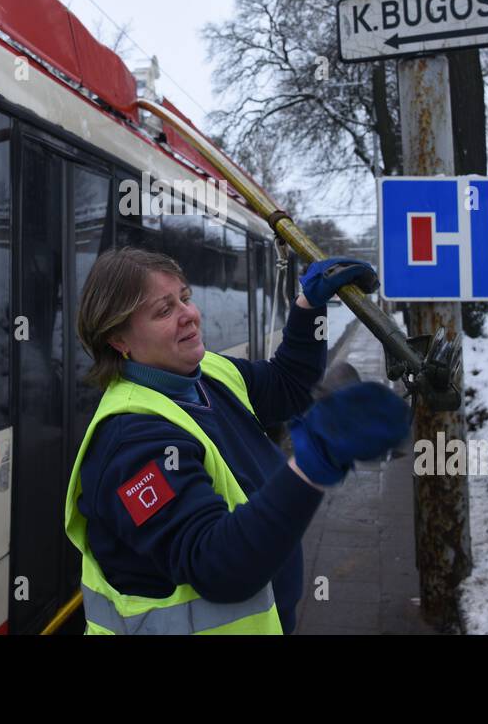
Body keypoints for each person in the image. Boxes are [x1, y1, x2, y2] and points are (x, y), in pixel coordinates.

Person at [65, 245, 412, 635]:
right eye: (164, 311)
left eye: (185, 298)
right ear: (118, 340)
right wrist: (315, 459)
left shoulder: (207, 373)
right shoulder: (132, 443)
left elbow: (287, 386)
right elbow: (217, 565)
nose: (189, 316)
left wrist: (308, 306)